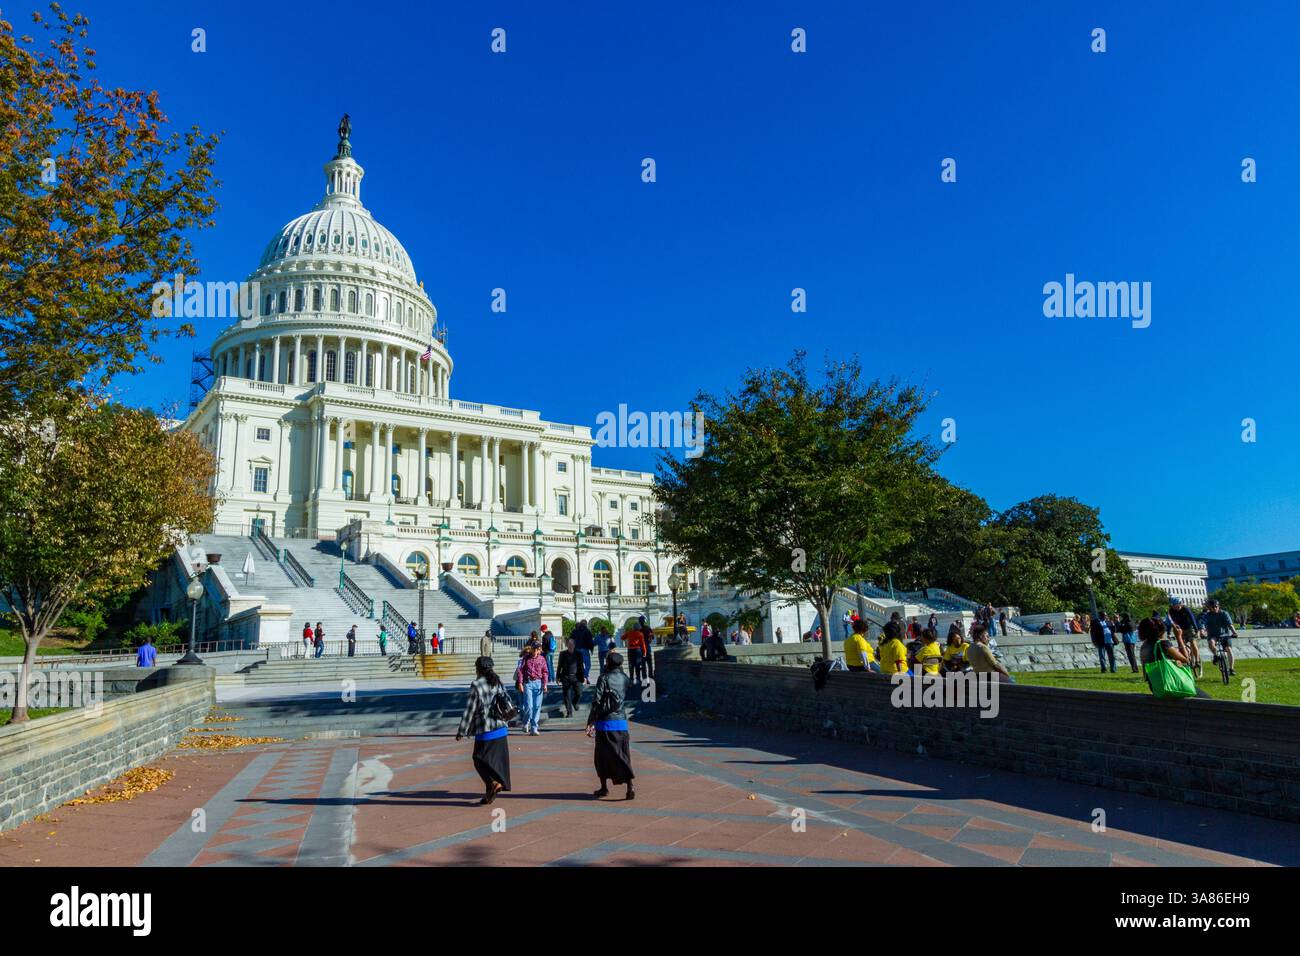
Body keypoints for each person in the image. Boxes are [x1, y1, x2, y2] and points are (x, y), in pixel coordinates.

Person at [455, 656, 512, 804]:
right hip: (501, 728)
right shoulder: (497, 681)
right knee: (494, 762)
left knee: (478, 759)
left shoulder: (476, 685)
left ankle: (493, 783)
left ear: (478, 669)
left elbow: (470, 709)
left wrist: (462, 730)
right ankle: (489, 793)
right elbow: (508, 702)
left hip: (486, 730)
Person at [586, 651, 635, 800]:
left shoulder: (604, 678)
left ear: (608, 663)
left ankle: (604, 787)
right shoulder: (625, 678)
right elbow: (628, 689)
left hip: (605, 722)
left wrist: (590, 721)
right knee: (623, 754)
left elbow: (597, 701)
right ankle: (630, 785)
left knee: (602, 757)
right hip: (621, 721)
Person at [513, 641, 548, 735]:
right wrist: (520, 683)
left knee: (537, 706)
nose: (536, 651)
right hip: (528, 683)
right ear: (532, 649)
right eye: (534, 649)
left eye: (538, 649)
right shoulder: (526, 658)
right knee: (529, 706)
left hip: (538, 683)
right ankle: (525, 722)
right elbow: (520, 671)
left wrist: (545, 684)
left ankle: (534, 728)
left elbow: (545, 672)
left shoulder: (542, 659)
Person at [1203, 598, 1238, 675]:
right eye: (1212, 607)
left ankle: (1231, 669)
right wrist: (1203, 632)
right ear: (1209, 608)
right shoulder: (1207, 615)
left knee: (1228, 649)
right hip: (1213, 635)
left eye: (1216, 606)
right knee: (1211, 644)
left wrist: (1234, 632)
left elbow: (1230, 624)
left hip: (1224, 634)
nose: (1214, 608)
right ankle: (1216, 655)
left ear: (1218, 606)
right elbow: (1203, 625)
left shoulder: (1224, 613)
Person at [557, 637, 587, 717]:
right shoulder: (562, 654)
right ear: (566, 645)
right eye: (569, 644)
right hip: (566, 677)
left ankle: (575, 702)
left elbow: (581, 666)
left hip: (576, 677)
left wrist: (584, 676)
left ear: (574, 645)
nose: (570, 646)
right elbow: (559, 666)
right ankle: (569, 713)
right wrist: (557, 677)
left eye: (572, 644)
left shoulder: (578, 654)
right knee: (567, 695)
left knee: (579, 693)